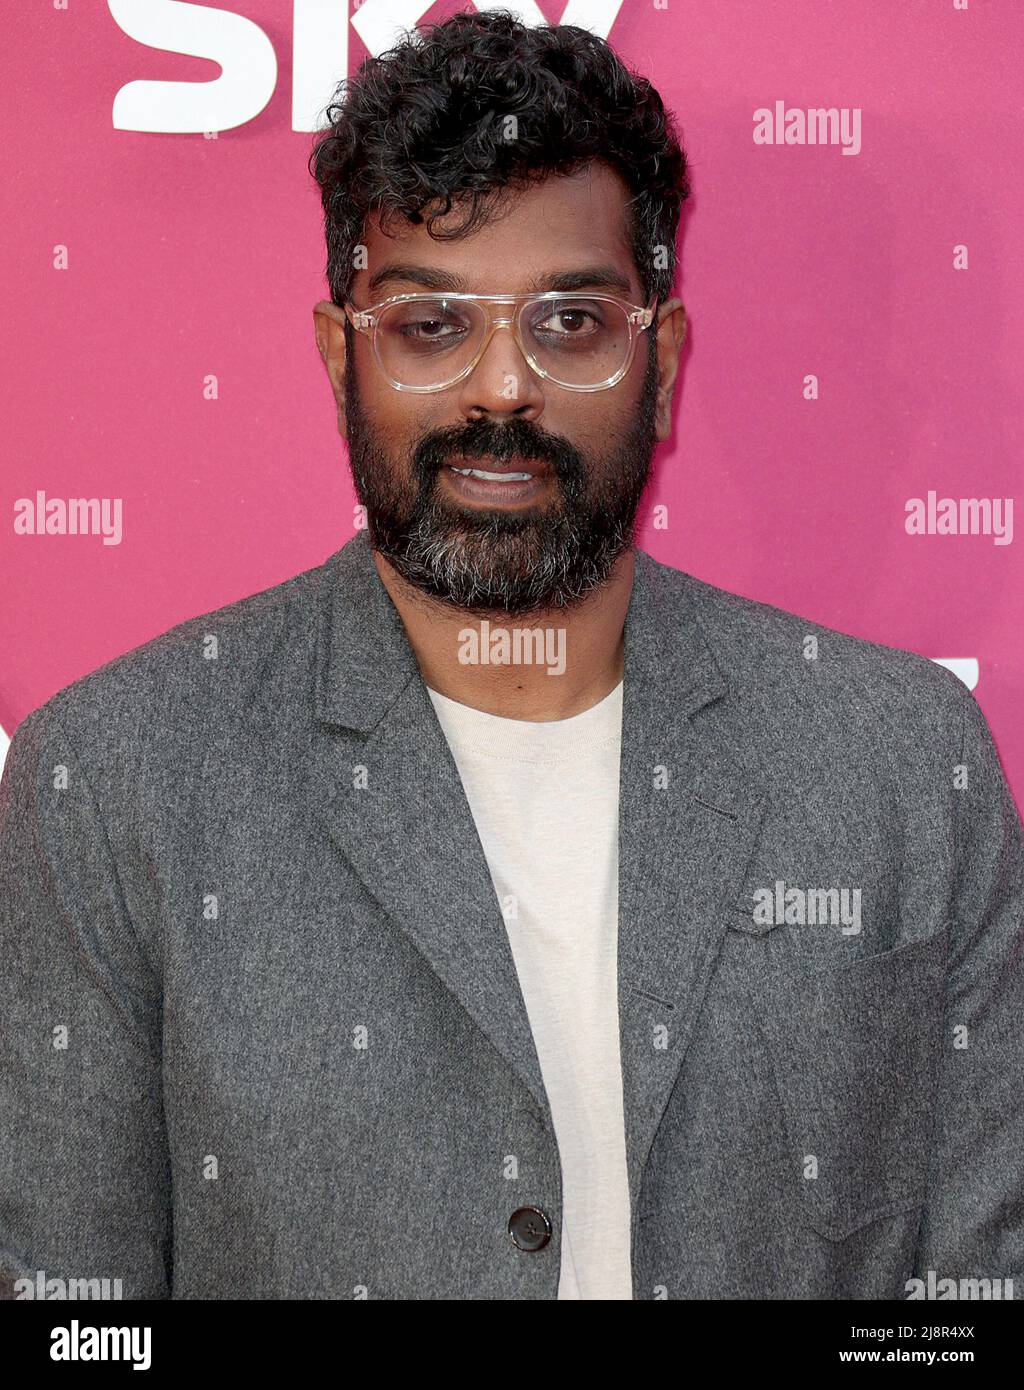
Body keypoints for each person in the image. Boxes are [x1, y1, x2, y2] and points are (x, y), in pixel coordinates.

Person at [1, 8, 1021, 1301]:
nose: (501, 389)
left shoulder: (900, 762)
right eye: (431, 325)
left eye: (570, 322)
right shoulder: (118, 779)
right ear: (339, 358)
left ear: (660, 363)